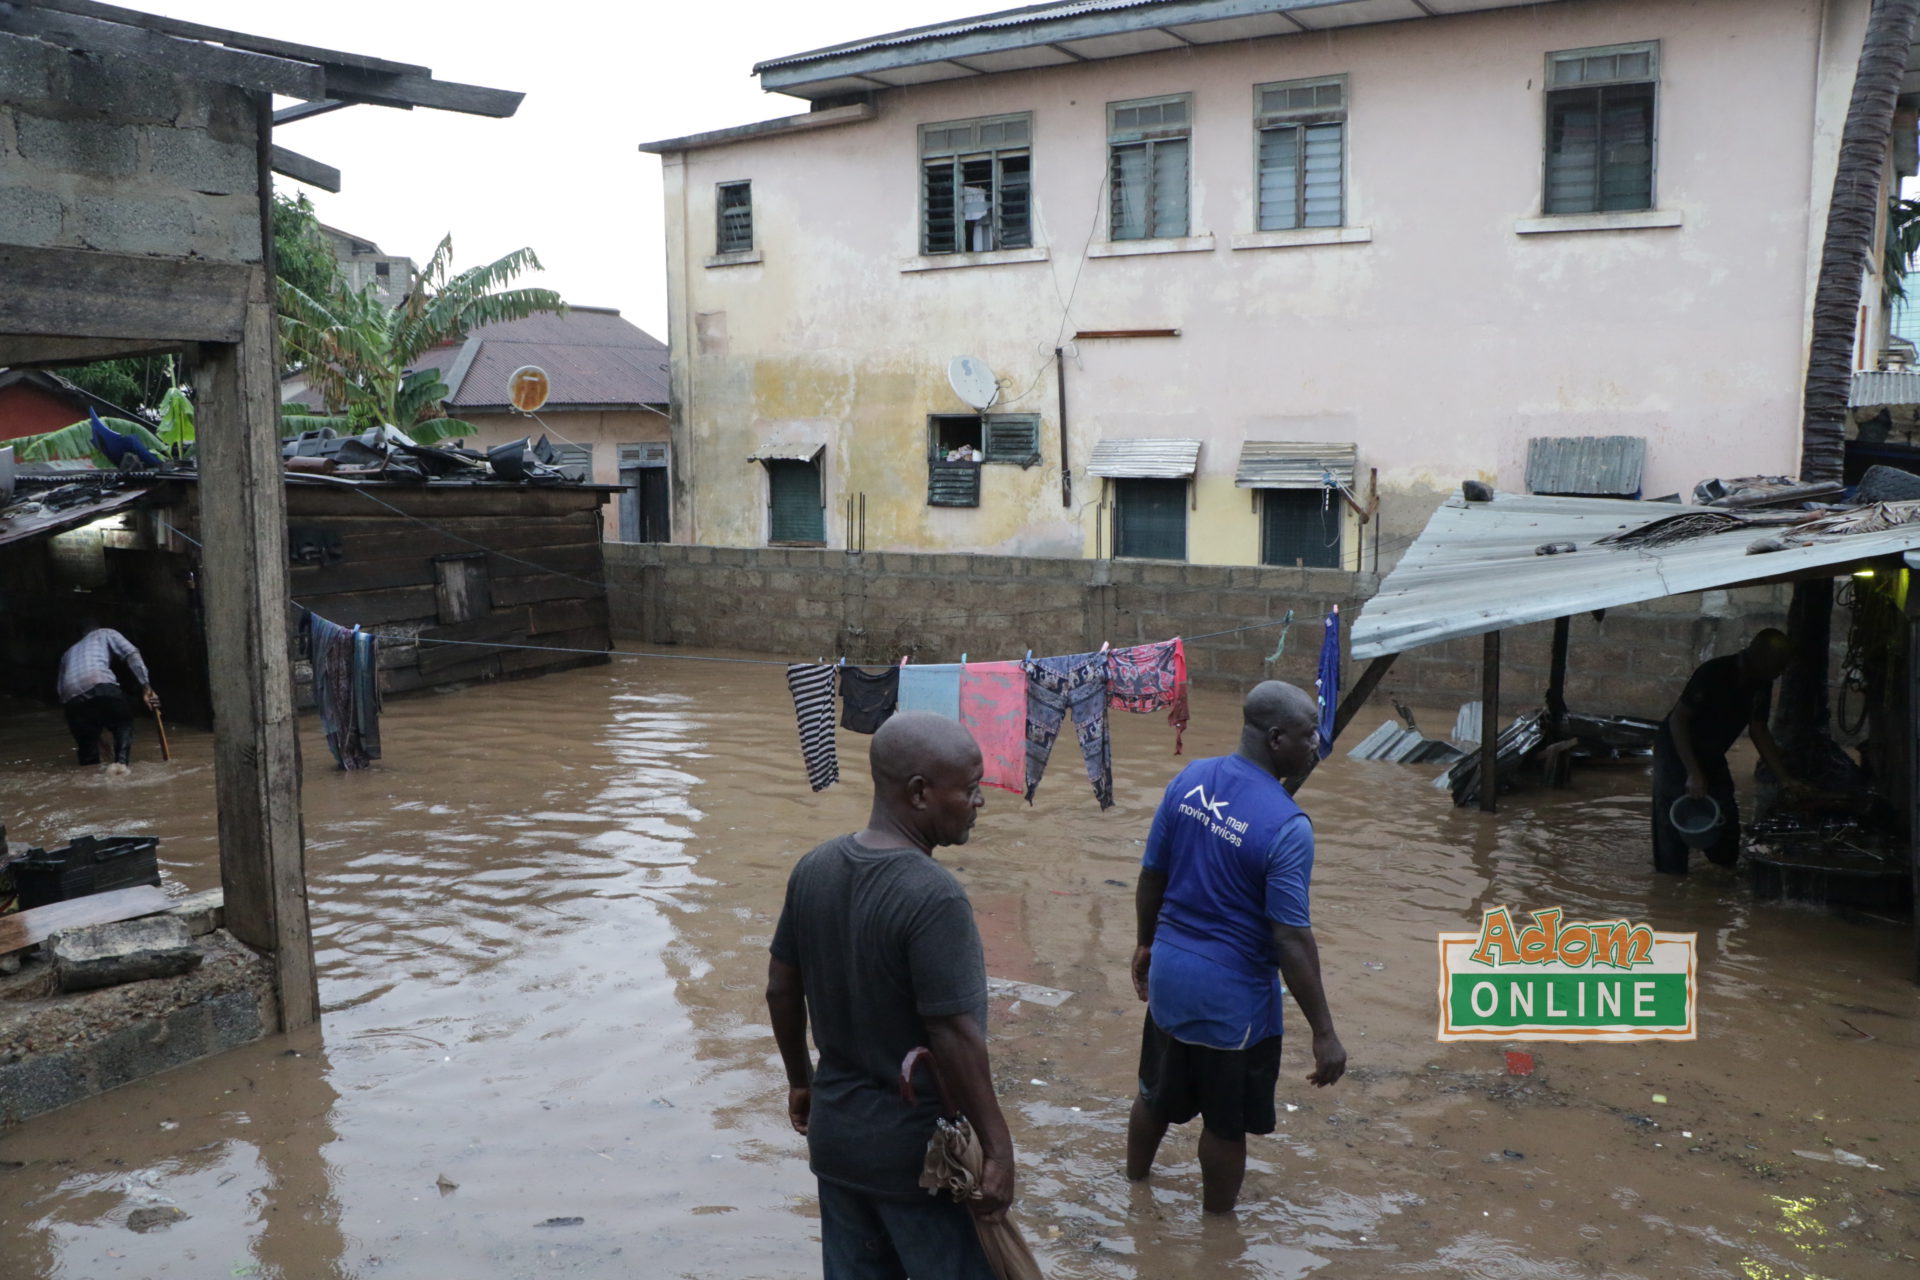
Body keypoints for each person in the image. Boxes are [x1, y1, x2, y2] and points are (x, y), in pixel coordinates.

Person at [766, 712, 1014, 1279]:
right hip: (918, 1161)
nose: (980, 801)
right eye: (970, 788)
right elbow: (953, 1034)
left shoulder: (813, 869)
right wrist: (998, 1150)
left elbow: (781, 989)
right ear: (920, 793)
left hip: (837, 1141)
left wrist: (802, 1081)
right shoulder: (935, 897)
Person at [1126, 680, 1345, 1216]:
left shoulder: (1189, 780)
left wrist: (1145, 943)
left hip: (1170, 977)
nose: (1316, 746)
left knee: (1155, 1094)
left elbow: (1152, 875)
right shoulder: (1288, 825)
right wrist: (1324, 1032)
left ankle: (1133, 1193)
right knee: (1225, 1125)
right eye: (1308, 735)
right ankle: (1218, 1238)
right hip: (1232, 1001)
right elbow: (1290, 937)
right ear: (1276, 738)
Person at [1652, 628, 1802, 874]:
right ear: (1761, 658)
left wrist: (1785, 779)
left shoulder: (1761, 685)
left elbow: (1759, 730)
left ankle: (1722, 874)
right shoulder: (1714, 672)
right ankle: (1671, 880)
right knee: (1672, 820)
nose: (1781, 672)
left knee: (1726, 819)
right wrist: (1693, 773)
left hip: (1711, 753)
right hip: (1676, 750)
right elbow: (1678, 720)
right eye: (1779, 665)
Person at [56, 619, 159, 770]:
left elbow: (61, 692)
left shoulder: (67, 653)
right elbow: (132, 654)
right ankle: (120, 766)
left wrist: (95, 737)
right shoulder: (105, 633)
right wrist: (146, 687)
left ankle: (89, 773)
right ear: (97, 628)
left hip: (72, 701)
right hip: (100, 684)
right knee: (123, 724)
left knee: (87, 749)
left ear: (80, 636)